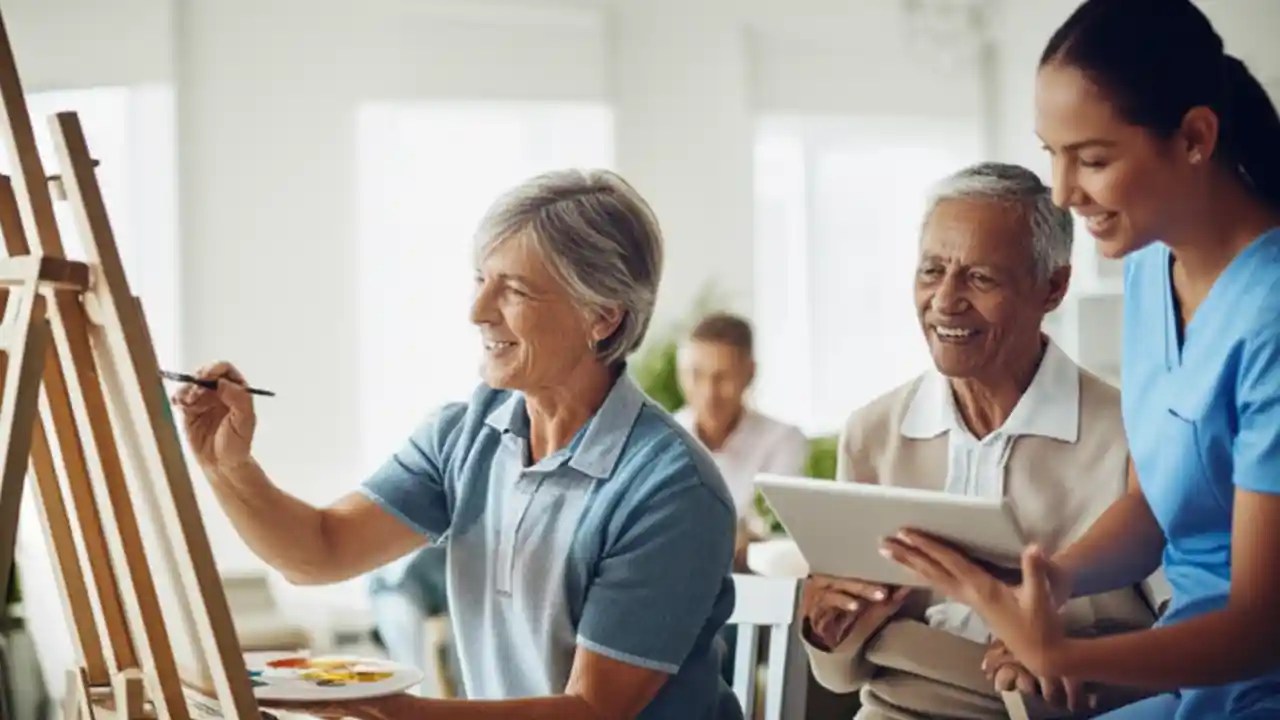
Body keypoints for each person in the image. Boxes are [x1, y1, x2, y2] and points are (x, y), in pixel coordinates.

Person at [173, 169, 743, 720]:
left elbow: (592, 712)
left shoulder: (671, 491)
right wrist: (230, 466)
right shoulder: (467, 433)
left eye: (514, 290)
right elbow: (319, 551)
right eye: (480, 280)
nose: (477, 312)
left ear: (602, 316)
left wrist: (403, 715)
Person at [880, 2, 1280, 718]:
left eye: (1092, 160)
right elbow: (1161, 501)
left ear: (1194, 137)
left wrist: (1065, 655)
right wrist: (1052, 580)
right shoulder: (1151, 263)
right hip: (1195, 691)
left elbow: (1260, 629)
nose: (1063, 193)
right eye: (1052, 155)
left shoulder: (1270, 316)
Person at [802, 162, 1160, 719]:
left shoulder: (1130, 432)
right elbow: (840, 674)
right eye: (931, 271)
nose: (945, 300)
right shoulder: (873, 433)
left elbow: (1188, 636)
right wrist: (828, 626)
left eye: (980, 278)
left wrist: (1070, 655)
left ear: (1054, 287)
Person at [674, 312, 809, 558]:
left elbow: (777, 535)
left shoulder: (781, 440)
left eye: (722, 377)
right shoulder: (660, 440)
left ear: (749, 373)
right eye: (696, 375)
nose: (708, 393)